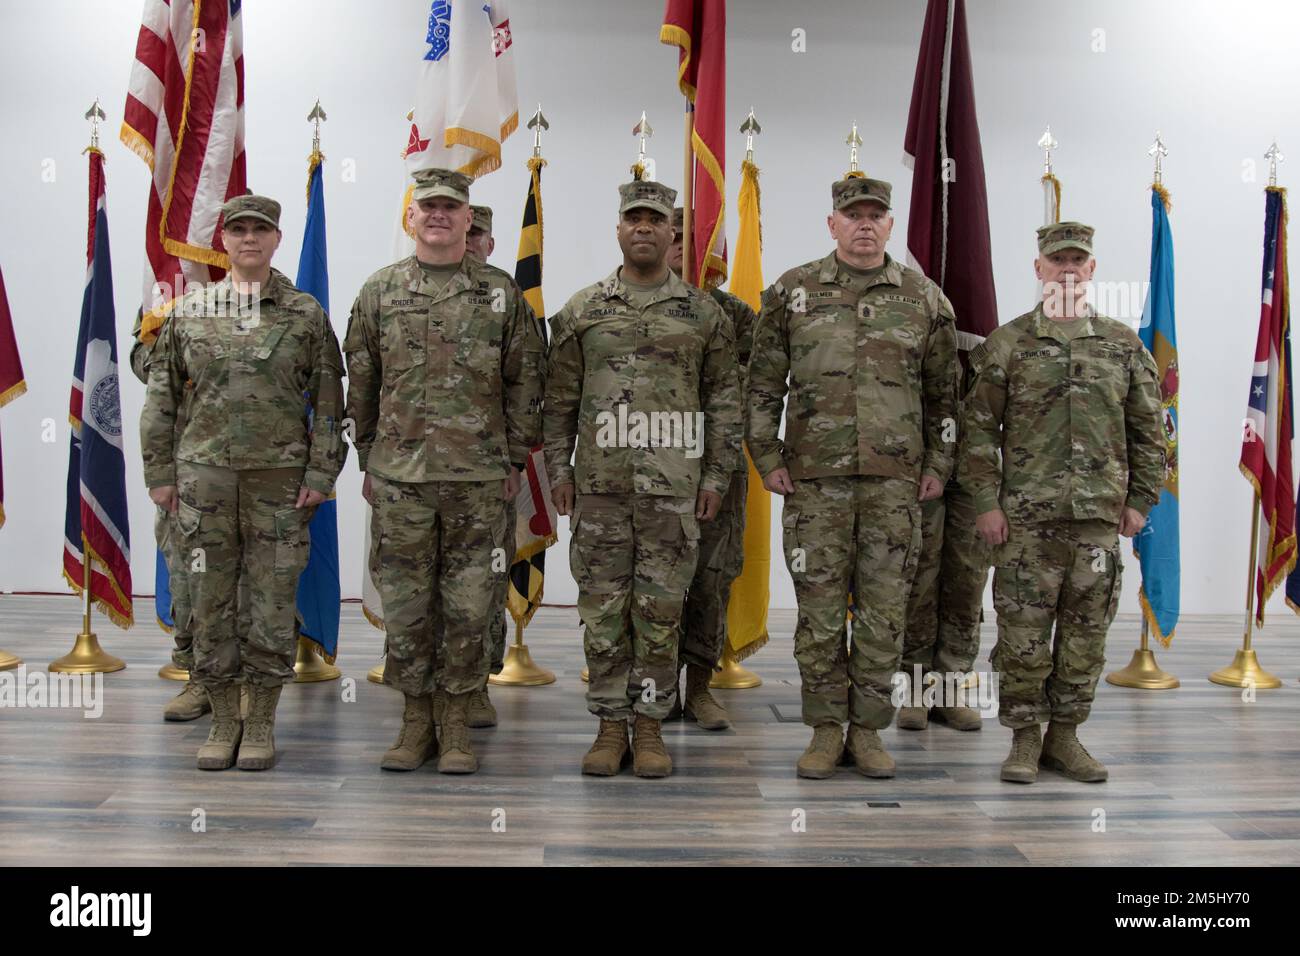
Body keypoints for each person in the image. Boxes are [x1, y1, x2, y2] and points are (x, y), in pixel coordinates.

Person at [747, 176, 959, 779]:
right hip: (814, 483)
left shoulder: (923, 298)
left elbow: (946, 398)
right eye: (853, 214)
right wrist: (768, 456)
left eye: (876, 215)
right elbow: (762, 385)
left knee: (884, 612)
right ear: (832, 223)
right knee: (818, 613)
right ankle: (823, 729)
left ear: (891, 224)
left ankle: (867, 730)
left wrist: (938, 465)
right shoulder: (793, 291)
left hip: (895, 486)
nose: (865, 224)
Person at [344, 168, 544, 774]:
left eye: (450, 208)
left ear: (467, 219)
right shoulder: (379, 291)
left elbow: (525, 382)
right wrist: (370, 458)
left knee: (467, 603)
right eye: (427, 205)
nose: (438, 215)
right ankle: (414, 720)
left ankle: (455, 721)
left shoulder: (501, 293)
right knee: (406, 605)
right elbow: (362, 382)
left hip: (479, 482)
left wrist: (512, 460)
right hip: (401, 478)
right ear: (411, 217)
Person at [140, 194, 347, 771]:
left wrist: (322, 473)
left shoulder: (305, 315)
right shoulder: (189, 312)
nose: (249, 239)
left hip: (278, 488)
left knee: (272, 604)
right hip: (202, 485)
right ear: (223, 241)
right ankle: (225, 717)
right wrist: (160, 475)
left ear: (277, 239)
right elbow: (161, 402)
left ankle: (259, 722)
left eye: (261, 229)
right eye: (238, 230)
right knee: (208, 603)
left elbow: (330, 405)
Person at [544, 180, 742, 778]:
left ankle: (650, 728)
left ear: (670, 232)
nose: (645, 229)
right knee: (603, 612)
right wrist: (560, 470)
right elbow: (558, 402)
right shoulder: (582, 310)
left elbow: (724, 404)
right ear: (619, 228)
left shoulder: (703, 314)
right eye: (634, 218)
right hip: (601, 490)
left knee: (660, 611)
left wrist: (714, 477)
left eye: (656, 220)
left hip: (671, 491)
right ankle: (609, 727)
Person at [958, 221, 1164, 783]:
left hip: (1097, 522)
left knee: (1085, 634)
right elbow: (977, 431)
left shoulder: (1122, 346)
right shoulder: (1010, 343)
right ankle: (1025, 739)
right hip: (1025, 521)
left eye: (1078, 260)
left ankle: (1065, 737)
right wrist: (985, 502)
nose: (1068, 269)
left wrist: (1141, 500)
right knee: (1023, 636)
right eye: (1057, 261)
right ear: (1039, 269)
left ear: (1093, 269)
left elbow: (1150, 430)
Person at [665, 207, 756, 730]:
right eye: (673, 236)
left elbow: (746, 391)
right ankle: (655, 687)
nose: (682, 246)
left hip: (717, 468)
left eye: (692, 237)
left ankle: (699, 686)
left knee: (710, 579)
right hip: (654, 466)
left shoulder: (737, 316)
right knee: (653, 581)